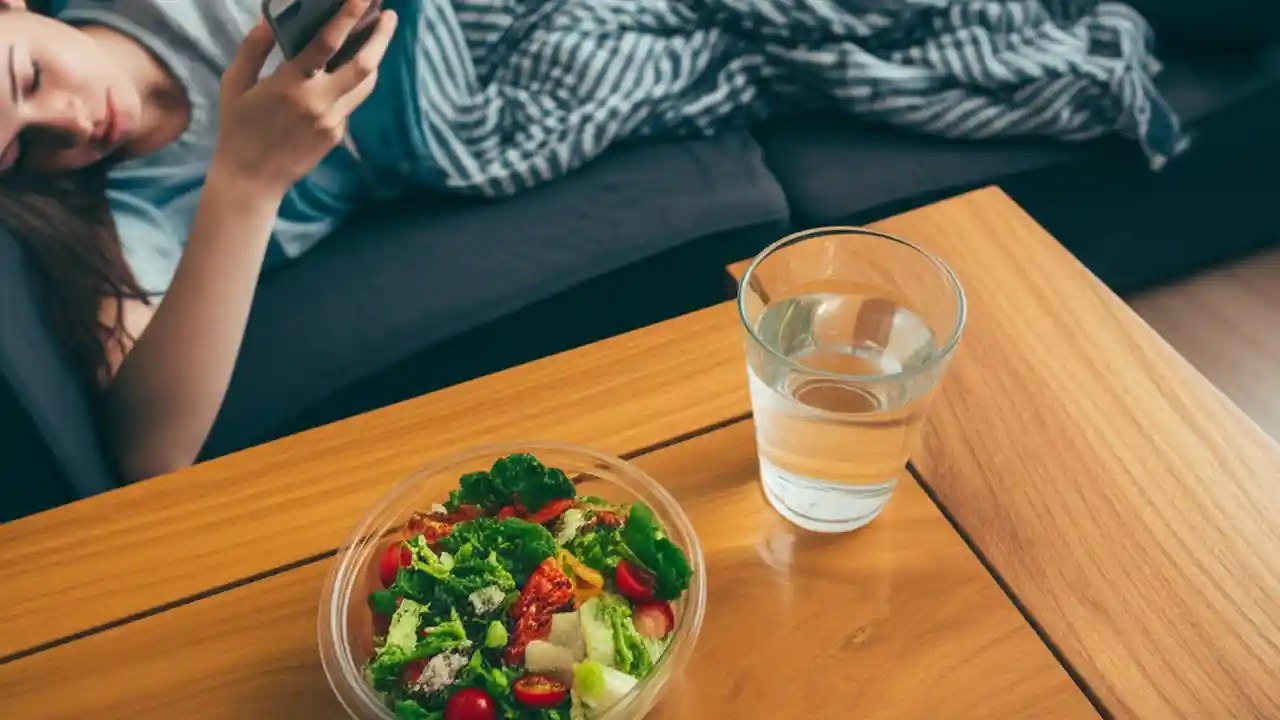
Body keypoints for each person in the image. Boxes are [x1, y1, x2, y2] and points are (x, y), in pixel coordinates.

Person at [0, 0, 1182, 483]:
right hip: (465, 96)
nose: (68, 123)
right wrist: (247, 182)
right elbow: (151, 456)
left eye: (25, 77)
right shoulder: (124, 216)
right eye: (19, 148)